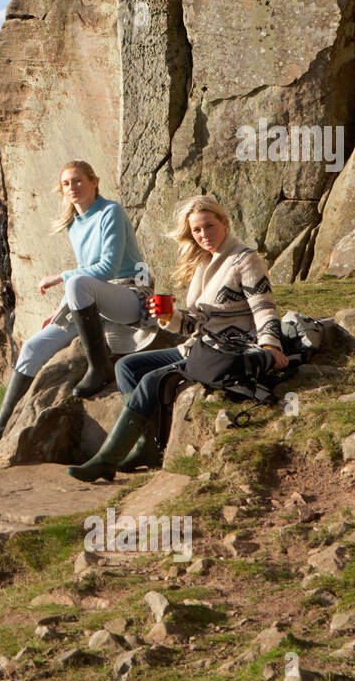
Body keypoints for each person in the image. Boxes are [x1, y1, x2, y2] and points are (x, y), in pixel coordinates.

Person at [68, 194, 288, 481]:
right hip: (199, 345)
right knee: (126, 367)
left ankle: (107, 458)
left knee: (149, 380)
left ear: (224, 222)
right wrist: (169, 317)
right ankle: (147, 446)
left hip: (228, 350)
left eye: (209, 226)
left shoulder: (244, 259)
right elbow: (196, 322)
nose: (203, 235)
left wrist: (271, 345)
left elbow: (263, 306)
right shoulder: (203, 262)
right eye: (197, 230)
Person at [0, 160, 158, 449]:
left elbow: (106, 269)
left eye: (79, 180)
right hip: (91, 297)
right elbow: (84, 271)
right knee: (33, 347)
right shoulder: (74, 223)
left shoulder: (111, 212)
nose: (72, 187)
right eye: (67, 183)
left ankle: (100, 368)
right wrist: (60, 309)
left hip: (129, 295)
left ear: (94, 182)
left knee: (76, 284)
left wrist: (60, 278)